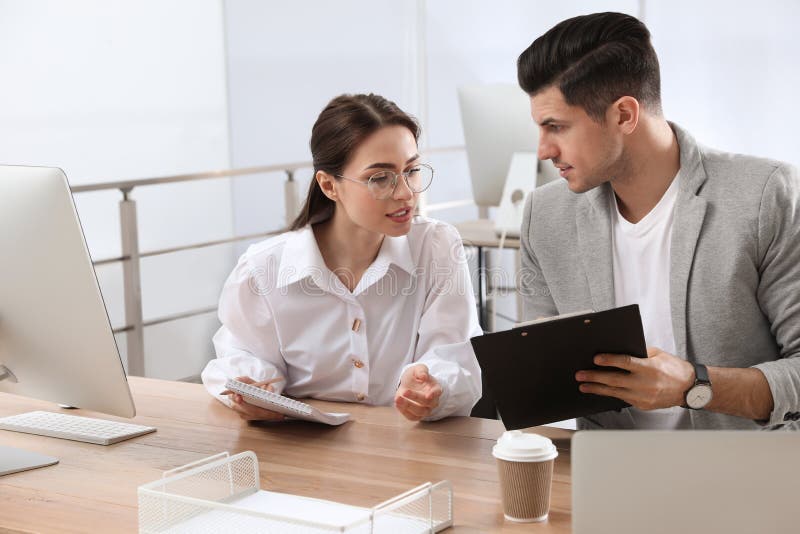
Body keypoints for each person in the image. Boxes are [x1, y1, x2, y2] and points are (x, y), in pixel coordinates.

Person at [516, 12, 800, 429]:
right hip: (607, 463)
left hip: (738, 462)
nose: (543, 150)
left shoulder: (763, 197)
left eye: (556, 127)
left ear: (624, 115)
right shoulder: (545, 216)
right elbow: (538, 374)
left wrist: (693, 386)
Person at [201, 93, 482, 422]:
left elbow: (455, 359)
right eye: (380, 178)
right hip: (298, 443)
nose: (406, 192)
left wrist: (432, 388)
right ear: (329, 185)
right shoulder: (264, 269)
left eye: (412, 170)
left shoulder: (436, 247)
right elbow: (240, 355)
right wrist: (256, 391)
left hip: (406, 441)